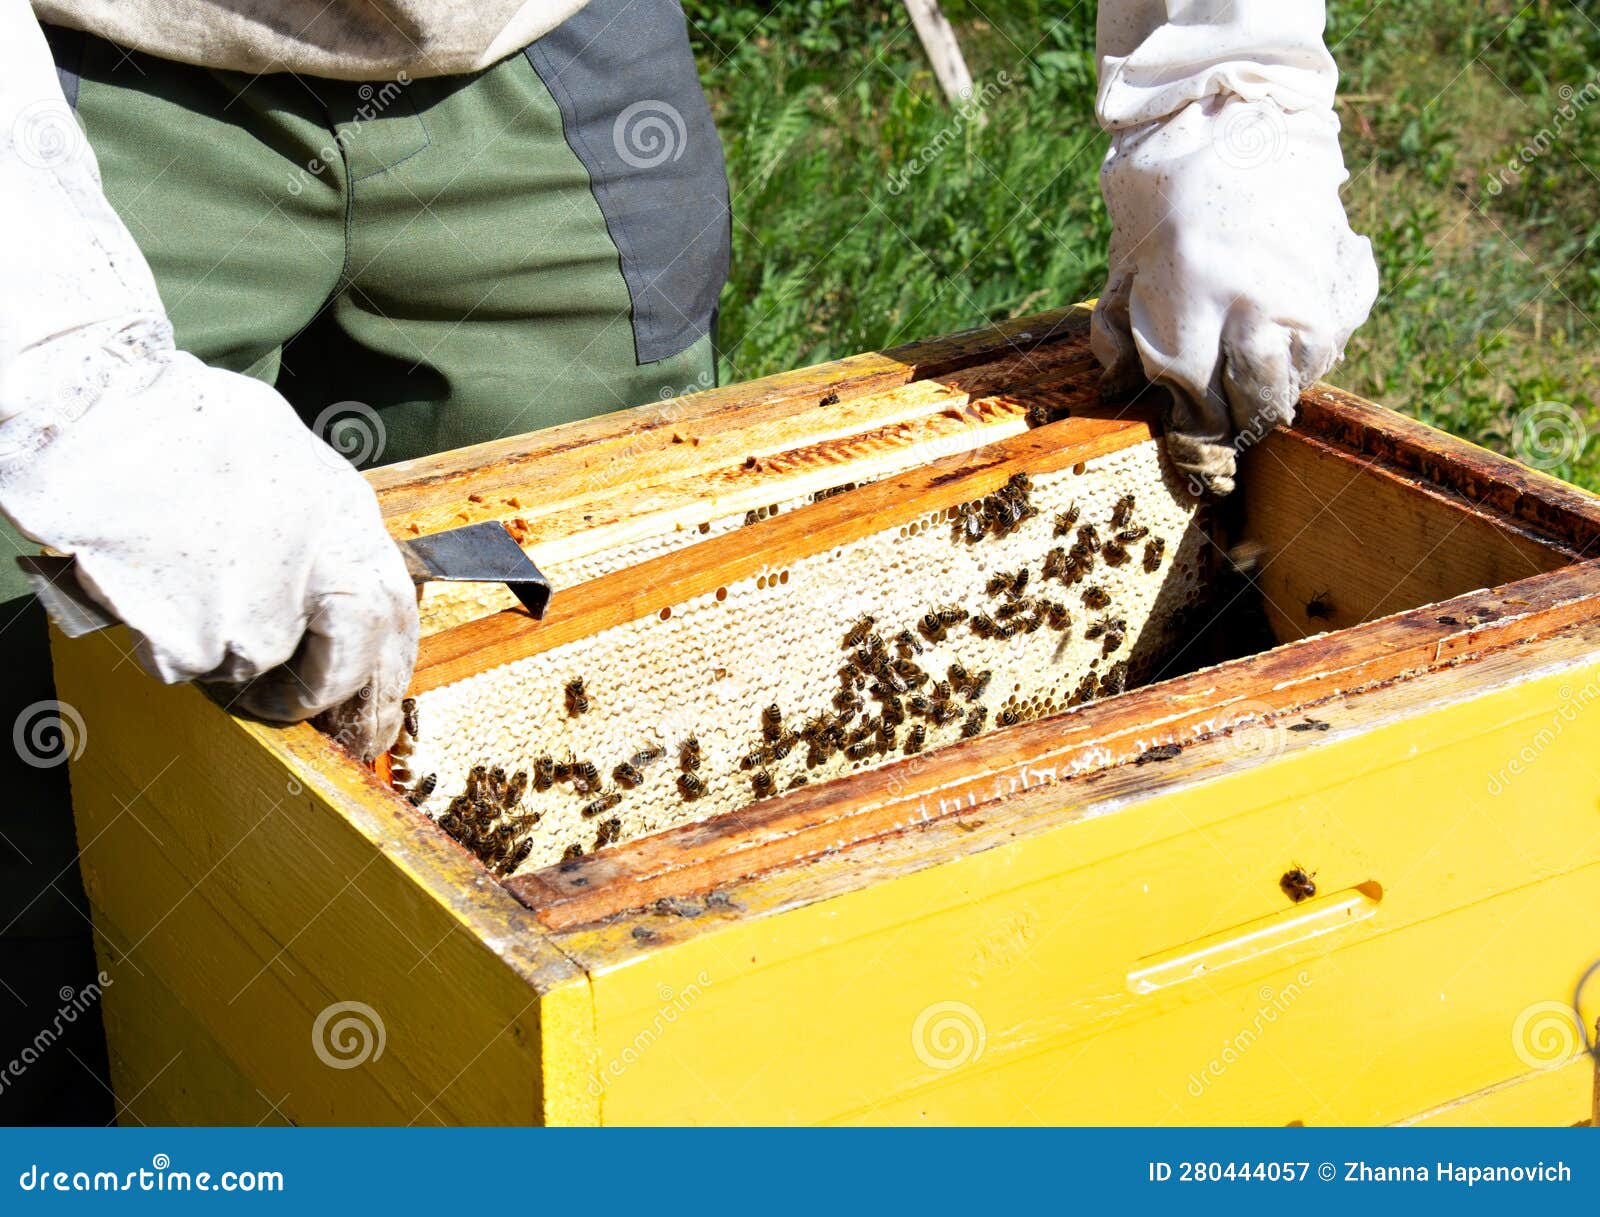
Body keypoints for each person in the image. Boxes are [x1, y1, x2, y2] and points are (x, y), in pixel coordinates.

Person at [0, 0, 1375, 1122]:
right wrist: (63, 374)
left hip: (541, 50)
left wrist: (1223, 77)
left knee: (578, 689)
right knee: (64, 739)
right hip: (68, 97)